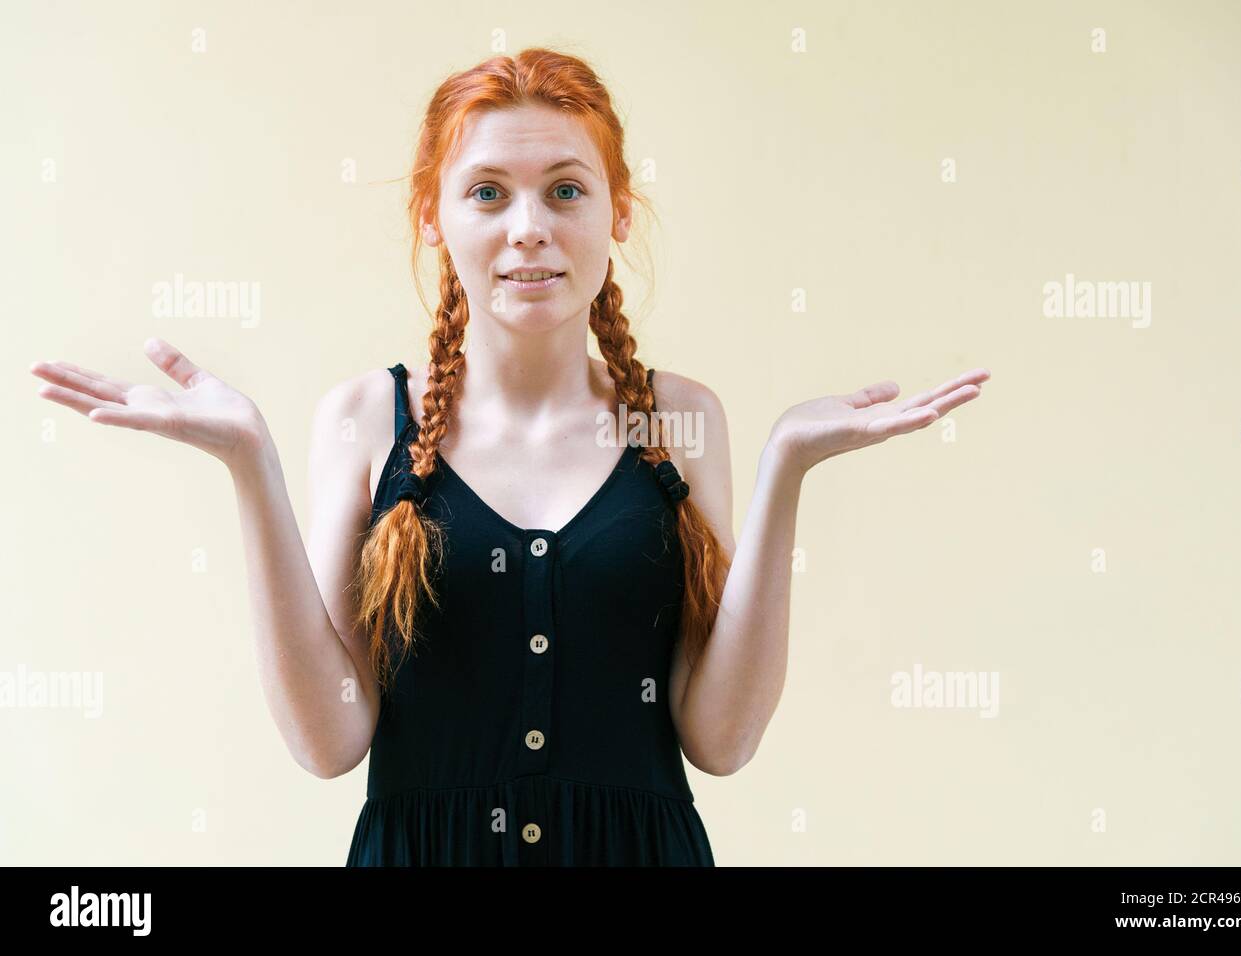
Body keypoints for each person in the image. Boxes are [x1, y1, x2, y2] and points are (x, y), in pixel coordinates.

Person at [29, 47, 989, 865]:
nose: (528, 224)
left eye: (565, 189)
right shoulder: (368, 418)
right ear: (433, 218)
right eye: (487, 192)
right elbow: (328, 743)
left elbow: (722, 739)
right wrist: (247, 463)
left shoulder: (682, 421)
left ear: (617, 213)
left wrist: (788, 466)